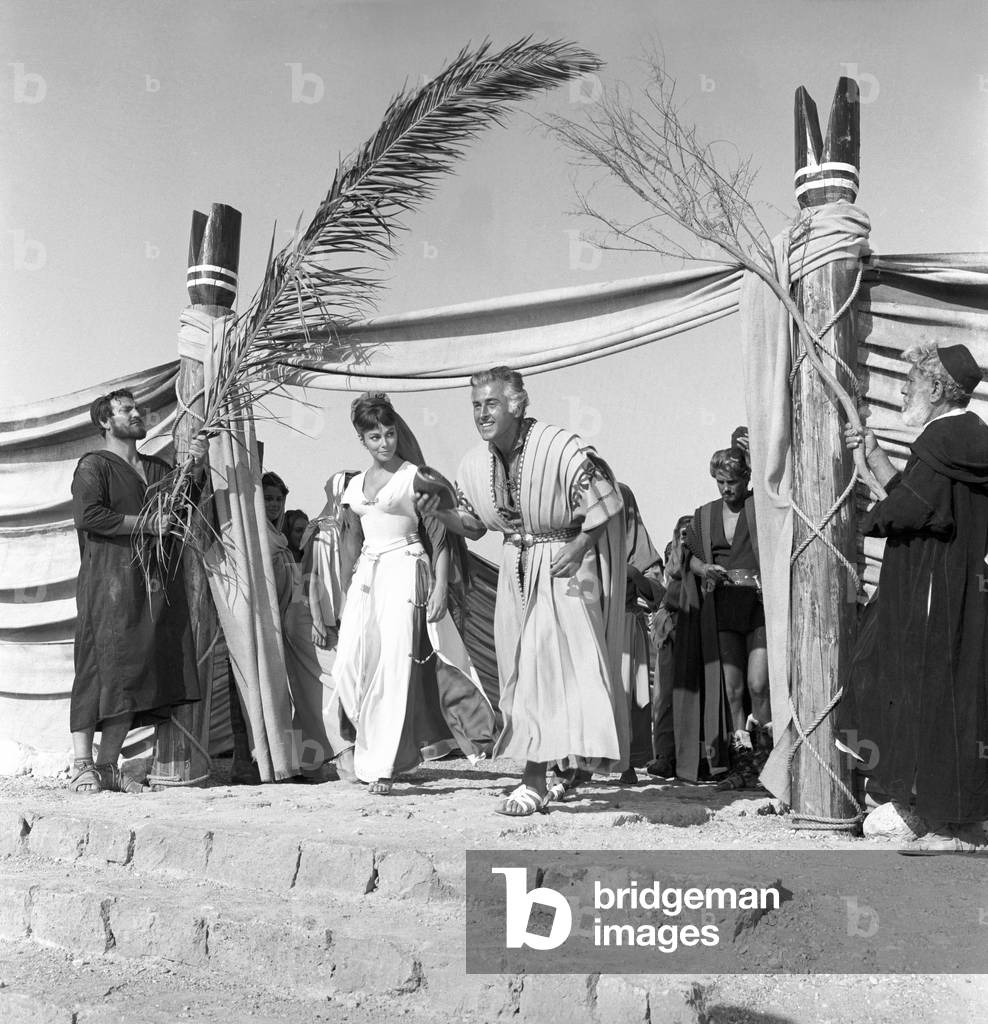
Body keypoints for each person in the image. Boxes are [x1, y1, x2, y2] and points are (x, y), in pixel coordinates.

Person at [417, 366, 628, 816]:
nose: (482, 413)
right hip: (516, 569)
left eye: (491, 403)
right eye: (476, 406)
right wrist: (439, 513)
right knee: (524, 672)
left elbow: (608, 500)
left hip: (563, 568)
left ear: (516, 404)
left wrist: (580, 544)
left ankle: (533, 780)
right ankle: (561, 772)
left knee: (553, 673)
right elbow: (473, 527)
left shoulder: (558, 446)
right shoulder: (475, 463)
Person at [840, 342, 988, 852]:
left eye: (913, 380)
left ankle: (955, 827)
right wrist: (875, 457)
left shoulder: (945, 439)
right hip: (956, 590)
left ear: (939, 389)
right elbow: (923, 498)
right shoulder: (959, 441)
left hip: (938, 594)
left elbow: (914, 509)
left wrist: (869, 518)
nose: (904, 388)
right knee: (950, 698)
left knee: (939, 698)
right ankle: (942, 816)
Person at [331, 394, 496, 793]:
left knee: (392, 665)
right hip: (366, 578)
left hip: (407, 570)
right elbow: (350, 544)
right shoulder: (352, 486)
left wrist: (440, 586)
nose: (384, 443)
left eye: (389, 433)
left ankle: (382, 767)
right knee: (349, 667)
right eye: (375, 437)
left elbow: (439, 537)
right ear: (362, 439)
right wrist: (343, 595)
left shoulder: (416, 477)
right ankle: (368, 749)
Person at [69, 389, 204, 794]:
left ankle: (109, 766)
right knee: (98, 665)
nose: (137, 413)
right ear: (105, 422)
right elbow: (88, 515)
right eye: (126, 410)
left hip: (149, 584)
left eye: (136, 408)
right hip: (107, 582)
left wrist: (194, 470)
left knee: (136, 669)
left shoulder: (158, 467)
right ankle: (81, 765)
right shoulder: (94, 465)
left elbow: (181, 512)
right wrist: (145, 525)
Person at [679, 448, 771, 788]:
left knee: (758, 685)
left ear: (746, 479)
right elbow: (688, 558)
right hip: (724, 604)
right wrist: (706, 568)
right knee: (733, 691)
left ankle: (768, 764)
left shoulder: (761, 509)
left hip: (759, 604)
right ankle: (742, 767)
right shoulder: (704, 516)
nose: (725, 489)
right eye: (720, 482)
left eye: (732, 482)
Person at [261, 471, 338, 780]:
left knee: (305, 693)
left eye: (279, 499)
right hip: (277, 626)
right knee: (293, 693)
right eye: (267, 498)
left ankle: (304, 761)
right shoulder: (260, 537)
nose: (274, 505)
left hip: (294, 625)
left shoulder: (285, 544)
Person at [618, 483, 666, 784]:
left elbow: (654, 588)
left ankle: (627, 762)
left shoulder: (636, 540)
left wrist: (630, 574)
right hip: (584, 621)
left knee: (628, 692)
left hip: (624, 623)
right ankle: (575, 762)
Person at [646, 513, 693, 780]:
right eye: (681, 534)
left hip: (694, 624)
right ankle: (664, 756)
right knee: (665, 696)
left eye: (690, 533)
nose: (685, 538)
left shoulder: (700, 560)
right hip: (670, 626)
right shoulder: (672, 558)